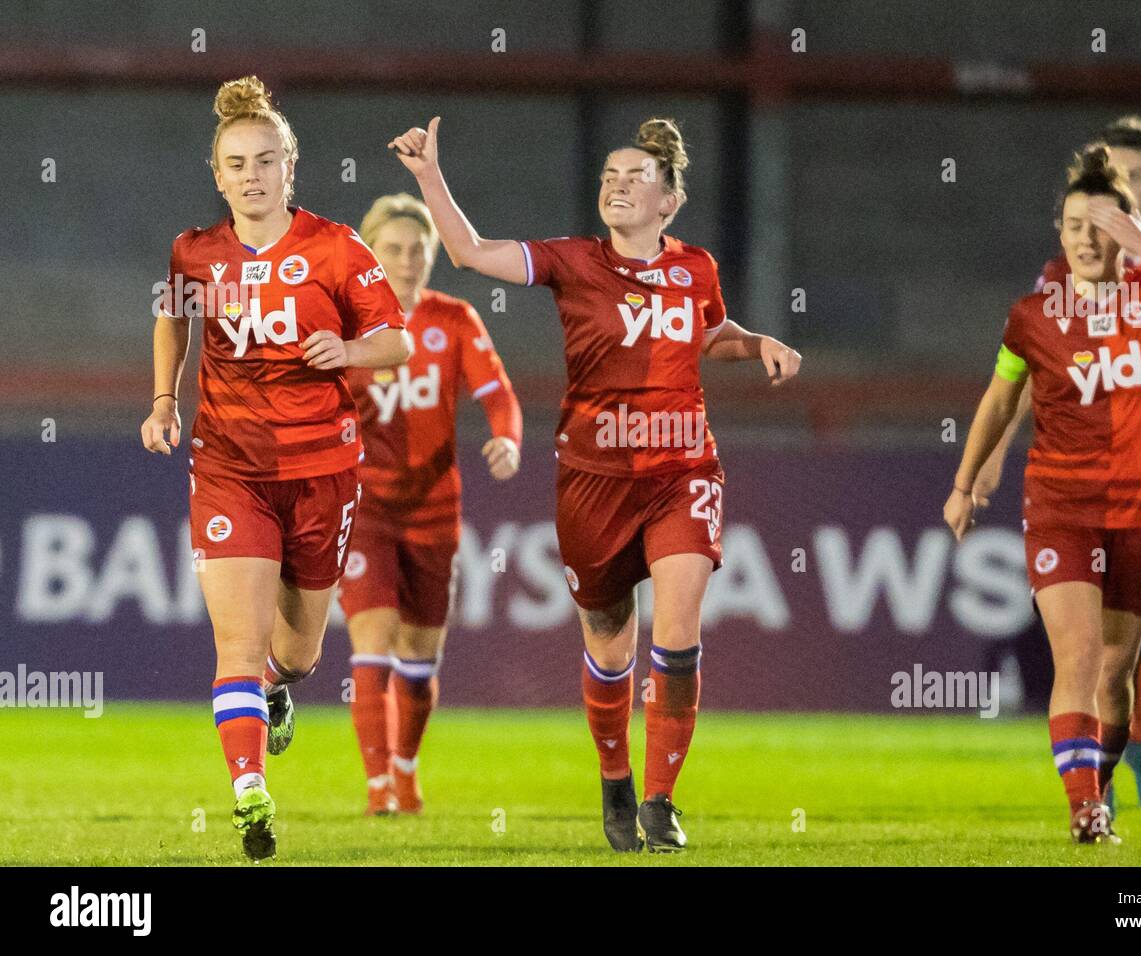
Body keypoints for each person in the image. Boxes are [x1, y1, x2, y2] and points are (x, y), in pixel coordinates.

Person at [388, 115, 802, 852]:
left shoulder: (696, 268)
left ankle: (660, 799)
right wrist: (428, 176)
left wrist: (760, 341)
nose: (616, 185)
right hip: (593, 478)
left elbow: (706, 335)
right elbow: (469, 251)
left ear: (669, 201)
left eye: (634, 177)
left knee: (677, 635)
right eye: (609, 175)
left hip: (682, 468)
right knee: (611, 647)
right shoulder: (572, 261)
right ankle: (614, 778)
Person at [141, 76, 411, 861]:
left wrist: (352, 350)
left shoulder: (335, 248)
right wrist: (164, 400)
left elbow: (396, 340)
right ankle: (249, 792)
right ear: (216, 172)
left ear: (289, 168)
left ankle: (278, 688)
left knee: (296, 654)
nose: (251, 175)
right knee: (235, 644)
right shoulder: (194, 250)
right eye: (236, 163)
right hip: (230, 468)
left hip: (323, 470)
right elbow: (170, 314)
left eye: (266, 160)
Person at [944, 146, 1141, 843]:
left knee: (1115, 679)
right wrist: (964, 482)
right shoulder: (1032, 316)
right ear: (1059, 232)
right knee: (1079, 659)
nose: (1085, 238)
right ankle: (1085, 810)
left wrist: (1140, 242)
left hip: (1140, 511)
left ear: (1125, 233)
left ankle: (1104, 780)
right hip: (1060, 506)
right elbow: (1000, 398)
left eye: (1099, 226)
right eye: (1074, 225)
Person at [339, 193, 522, 815]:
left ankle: (406, 768)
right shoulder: (344, 322)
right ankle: (377, 790)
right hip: (364, 509)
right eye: (392, 249)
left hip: (434, 508)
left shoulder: (455, 319)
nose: (407, 260)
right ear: (369, 253)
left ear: (433, 255)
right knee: (373, 636)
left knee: (419, 653)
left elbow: (499, 394)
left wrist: (506, 437)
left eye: (418, 249)